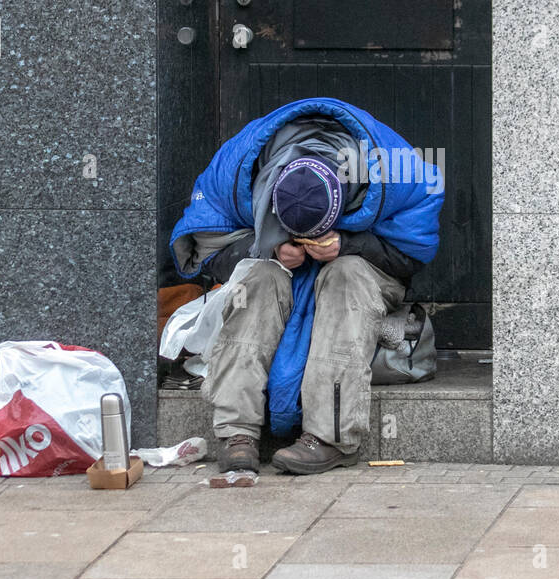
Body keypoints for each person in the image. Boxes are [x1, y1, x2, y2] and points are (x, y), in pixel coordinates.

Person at [169, 98, 443, 475]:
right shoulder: (238, 166)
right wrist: (270, 249)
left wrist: (348, 244)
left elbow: (413, 255)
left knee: (344, 274)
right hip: (273, 267)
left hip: (357, 274)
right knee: (259, 278)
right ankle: (237, 433)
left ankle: (329, 438)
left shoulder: (395, 168)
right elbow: (204, 248)